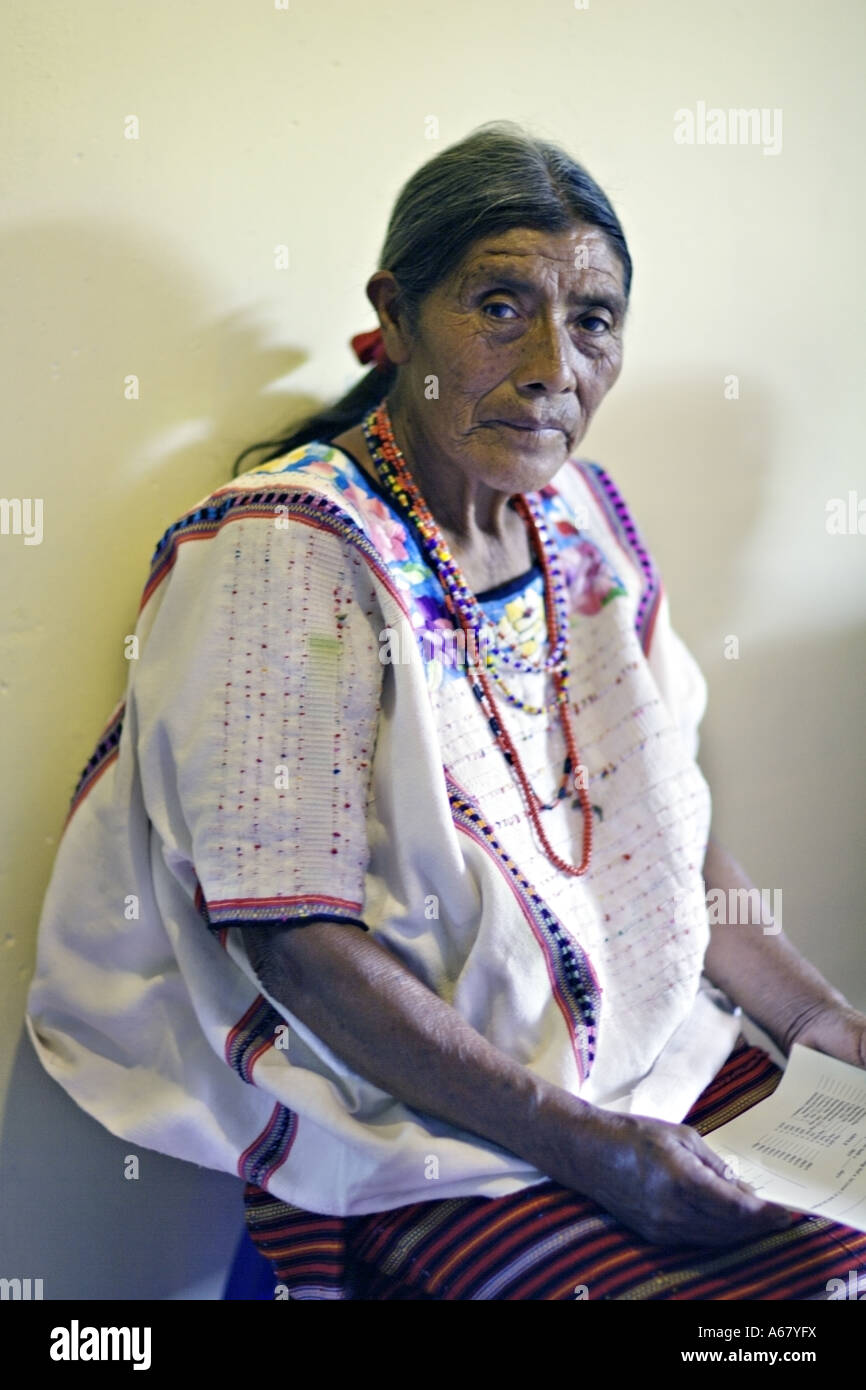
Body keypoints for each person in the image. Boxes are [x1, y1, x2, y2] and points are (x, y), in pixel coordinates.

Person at [27, 121, 866, 1300]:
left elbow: (658, 834)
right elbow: (297, 944)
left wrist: (825, 1024)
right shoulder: (287, 551)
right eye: (499, 305)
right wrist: (587, 1150)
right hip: (412, 1122)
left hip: (644, 1059)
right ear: (397, 312)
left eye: (591, 321)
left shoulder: (577, 525)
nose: (551, 369)